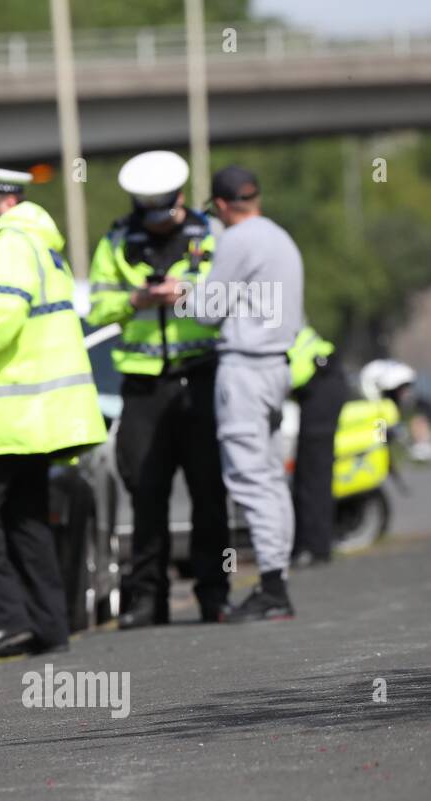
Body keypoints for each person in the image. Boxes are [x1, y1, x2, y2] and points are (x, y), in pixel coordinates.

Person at [0, 164, 106, 659]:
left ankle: (5, 620)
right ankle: (49, 627)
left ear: (6, 201)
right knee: (26, 522)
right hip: (29, 419)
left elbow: (4, 316)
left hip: (2, 419)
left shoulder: (9, 242)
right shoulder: (37, 241)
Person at [87, 150, 229, 627]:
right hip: (143, 388)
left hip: (200, 377)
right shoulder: (115, 241)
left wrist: (186, 294)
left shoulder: (212, 235)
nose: (156, 224)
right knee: (146, 492)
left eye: (163, 213)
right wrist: (137, 298)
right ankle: (147, 600)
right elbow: (97, 307)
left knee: (208, 490)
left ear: (181, 199)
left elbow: (237, 295)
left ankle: (215, 595)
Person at [192, 164, 304, 621]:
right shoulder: (280, 237)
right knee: (271, 478)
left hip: (245, 368)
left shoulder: (237, 240)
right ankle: (277, 580)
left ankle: (273, 589)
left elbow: (204, 310)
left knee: (248, 478)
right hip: (276, 366)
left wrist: (182, 288)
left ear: (221, 205)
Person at [288, 326, 347, 567]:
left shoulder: (266, 328)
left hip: (321, 386)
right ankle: (312, 545)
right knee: (308, 471)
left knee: (314, 473)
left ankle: (316, 547)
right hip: (321, 383)